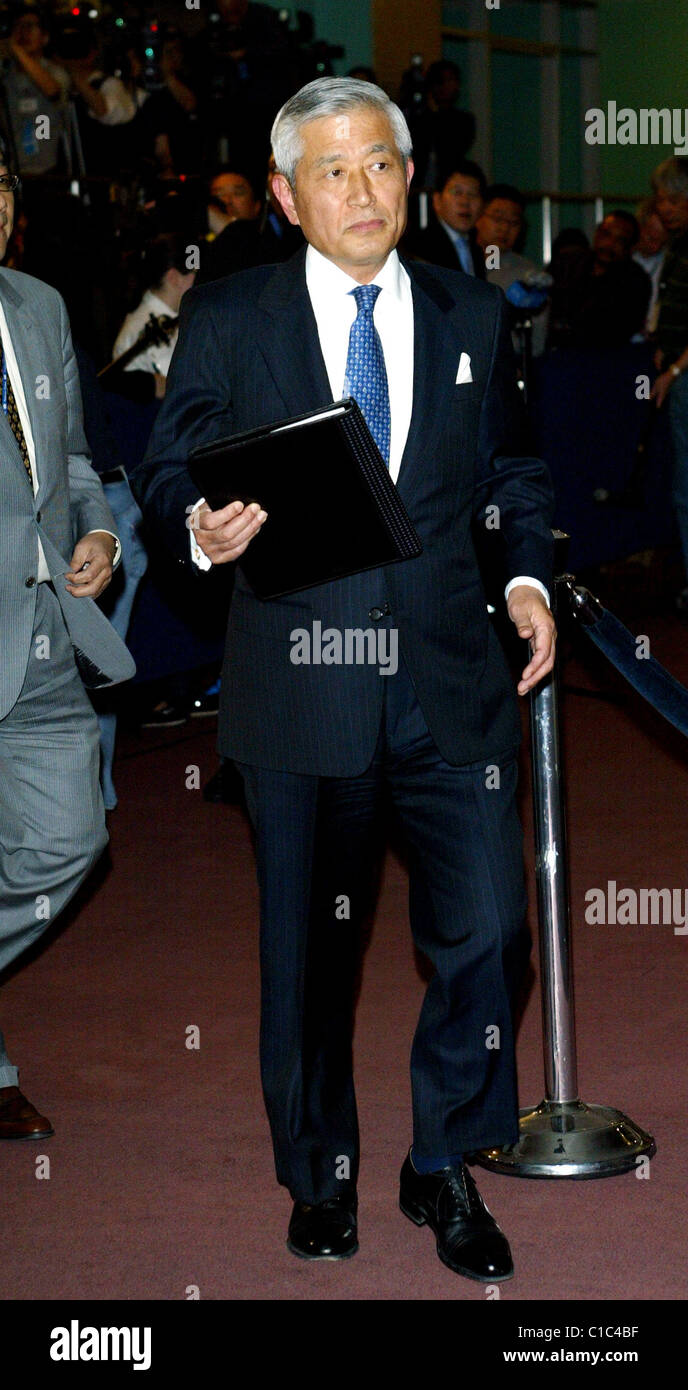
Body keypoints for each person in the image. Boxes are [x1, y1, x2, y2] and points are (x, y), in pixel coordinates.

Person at [133, 77, 555, 1284]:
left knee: (491, 931)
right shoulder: (231, 313)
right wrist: (199, 528)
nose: (361, 191)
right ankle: (319, 1173)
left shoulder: (475, 315)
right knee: (311, 959)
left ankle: (443, 1160)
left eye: (380, 165)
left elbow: (513, 477)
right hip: (300, 682)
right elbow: (170, 469)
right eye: (332, 170)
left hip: (449, 685)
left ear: (408, 177)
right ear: (283, 194)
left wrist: (524, 580)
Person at [0, 151, 133, 1140]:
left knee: (69, 840)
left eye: (0, 188)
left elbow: (75, 460)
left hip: (45, 637)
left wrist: (95, 529)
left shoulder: (37, 303)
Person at [650, 157, 688, 610]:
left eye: (675, 199)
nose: (665, 208)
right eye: (662, 199)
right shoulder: (678, 244)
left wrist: (675, 369)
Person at [547, 210, 650, 349]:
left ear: (631, 247)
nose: (609, 243)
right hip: (558, 352)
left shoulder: (635, 281)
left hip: (607, 357)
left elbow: (619, 330)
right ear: (596, 234)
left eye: (620, 240)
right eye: (606, 234)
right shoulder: (567, 263)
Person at [1, 7, 70, 179]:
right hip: (13, 171)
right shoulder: (5, 75)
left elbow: (52, 90)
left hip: (48, 172)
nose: (23, 32)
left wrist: (17, 50)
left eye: (30, 26)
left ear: (45, 38)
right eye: (18, 26)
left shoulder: (55, 72)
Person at [409, 160, 486, 277]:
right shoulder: (420, 246)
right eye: (457, 193)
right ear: (437, 201)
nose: (465, 202)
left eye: (472, 194)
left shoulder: (482, 247)